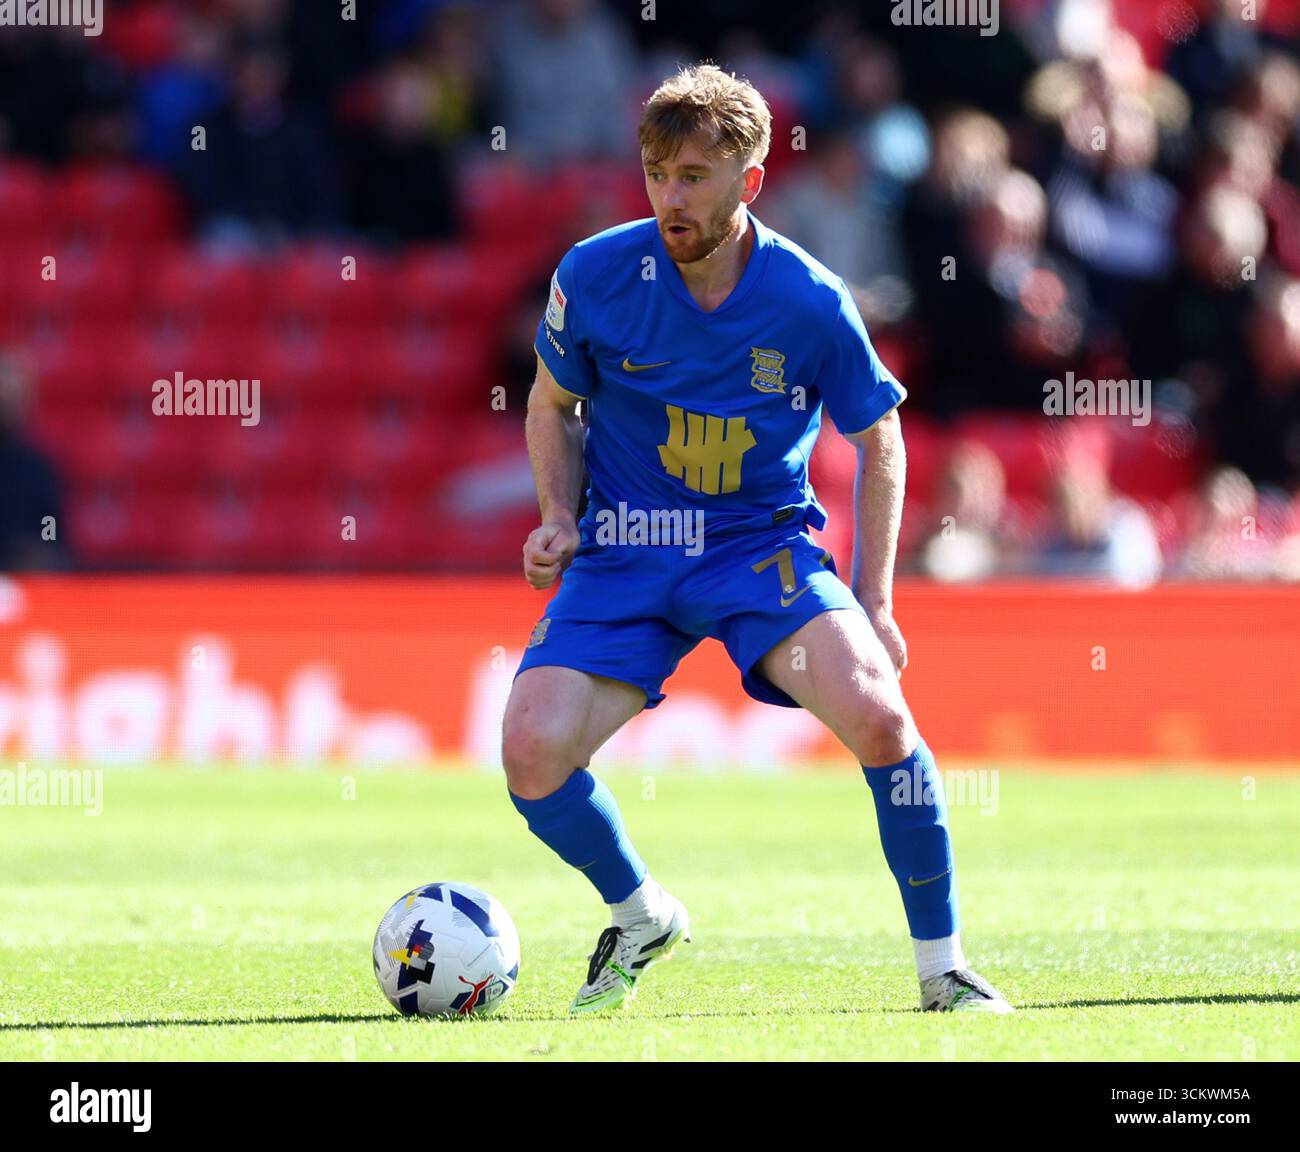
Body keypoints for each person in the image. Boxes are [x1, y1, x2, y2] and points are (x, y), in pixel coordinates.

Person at [501, 64, 1014, 1015]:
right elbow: (550, 402)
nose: (670, 195)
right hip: (624, 547)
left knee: (881, 717)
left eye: (694, 174)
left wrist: (876, 600)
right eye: (656, 171)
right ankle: (642, 913)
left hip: (757, 549)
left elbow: (880, 436)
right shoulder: (596, 273)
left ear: (751, 181)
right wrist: (559, 516)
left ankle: (943, 970)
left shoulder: (809, 298)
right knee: (530, 754)